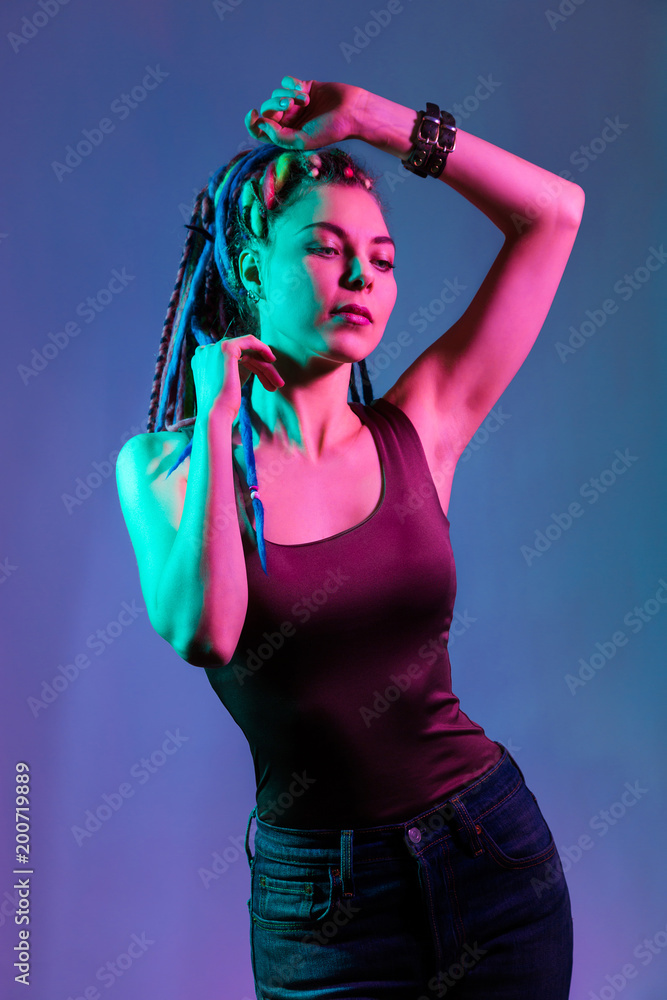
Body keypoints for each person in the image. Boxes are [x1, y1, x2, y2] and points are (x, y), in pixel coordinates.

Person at [116, 75, 584, 999]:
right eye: (328, 251)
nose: (364, 277)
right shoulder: (162, 467)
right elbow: (204, 632)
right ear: (252, 271)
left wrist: (377, 120)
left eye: (382, 255)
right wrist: (216, 417)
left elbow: (555, 216)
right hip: (324, 910)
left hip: (491, 855)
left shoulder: (424, 427)